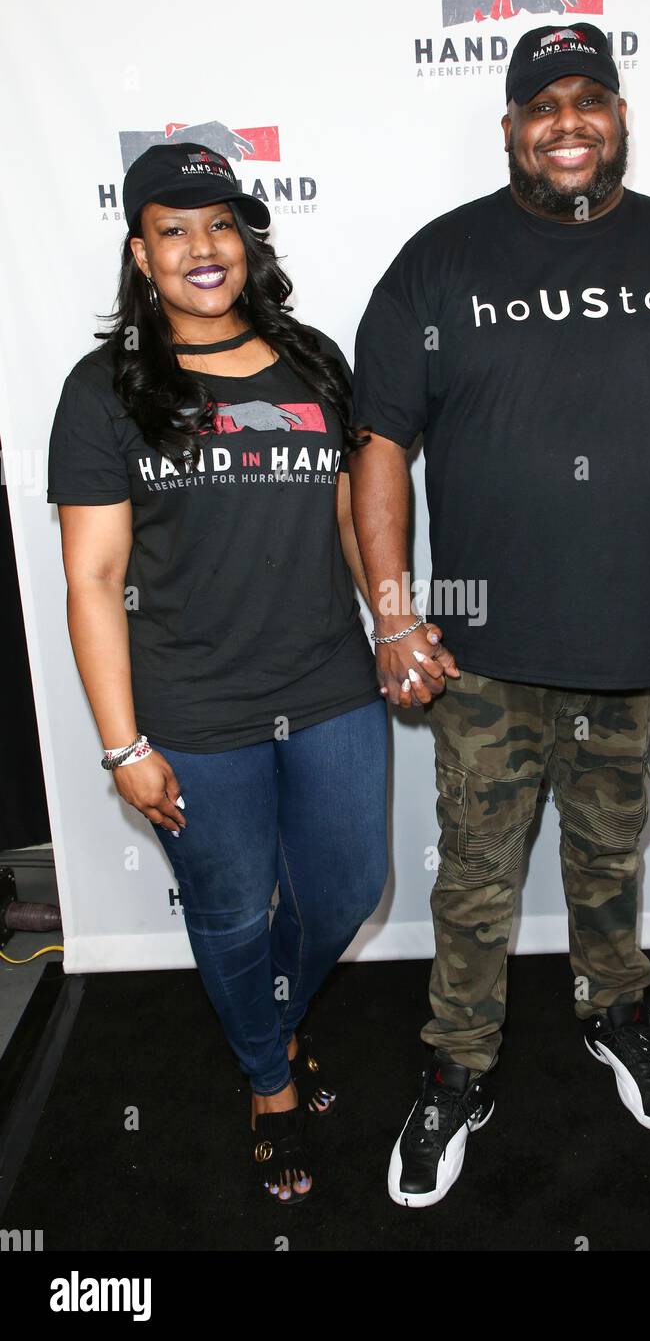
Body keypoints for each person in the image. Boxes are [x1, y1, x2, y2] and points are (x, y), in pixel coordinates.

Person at [350, 22, 650, 1207]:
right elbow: (376, 448)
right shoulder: (436, 261)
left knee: (608, 854)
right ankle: (458, 1066)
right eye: (542, 102)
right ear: (509, 126)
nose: (567, 120)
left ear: (617, 118)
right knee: (474, 876)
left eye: (588, 99)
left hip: (627, 644)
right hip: (478, 640)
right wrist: (397, 616)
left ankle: (615, 1012)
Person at [45, 141, 447, 1205]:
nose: (201, 248)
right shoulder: (104, 391)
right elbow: (92, 579)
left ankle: (261, 1015)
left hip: (326, 685)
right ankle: (268, 1077)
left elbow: (358, 517)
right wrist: (124, 744)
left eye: (219, 224)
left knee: (349, 884)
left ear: (246, 240)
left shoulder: (311, 362)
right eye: (172, 230)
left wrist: (395, 623)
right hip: (191, 704)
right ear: (141, 255)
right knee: (227, 909)